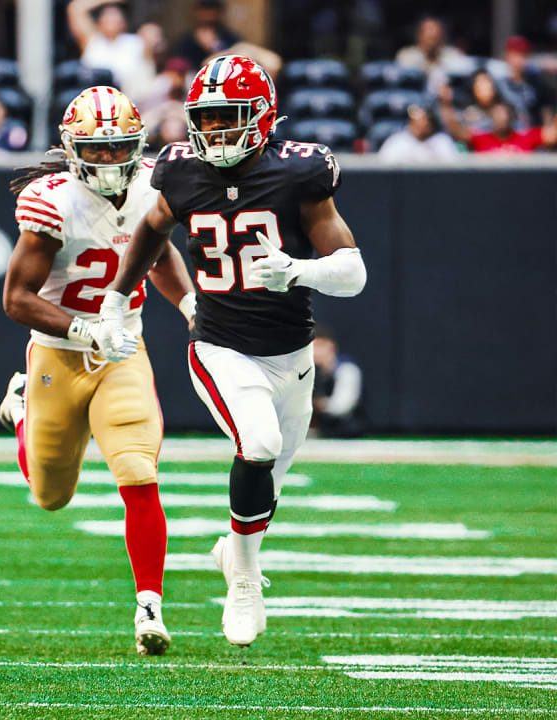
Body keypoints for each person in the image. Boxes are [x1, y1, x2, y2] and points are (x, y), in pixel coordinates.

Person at [94, 56, 367, 648]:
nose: (215, 130)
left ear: (262, 115)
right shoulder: (181, 171)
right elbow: (152, 228)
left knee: (270, 480)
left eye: (227, 116)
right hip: (220, 345)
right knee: (258, 444)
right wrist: (116, 299)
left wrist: (297, 269)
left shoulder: (298, 172)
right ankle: (243, 580)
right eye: (206, 118)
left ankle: (236, 553)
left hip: (292, 353)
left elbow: (353, 273)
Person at [0, 86, 196, 656]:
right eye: (97, 149)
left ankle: (149, 605)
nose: (109, 159)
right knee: (50, 495)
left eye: (118, 147)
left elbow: (158, 254)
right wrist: (85, 330)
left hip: (123, 350)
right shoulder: (52, 202)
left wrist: (189, 306)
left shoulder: (155, 185)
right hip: (58, 354)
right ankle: (21, 409)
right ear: (72, 150)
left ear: (138, 145)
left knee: (138, 469)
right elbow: (16, 298)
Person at [66, 0, 155, 97]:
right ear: (99, 21)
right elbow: (76, 8)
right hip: (94, 99)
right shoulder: (92, 40)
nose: (111, 19)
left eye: (115, 16)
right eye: (107, 16)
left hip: (128, 98)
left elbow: (149, 73)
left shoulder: (137, 42)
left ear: (123, 22)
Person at [311, 328, 363, 438]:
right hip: (316, 430)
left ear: (331, 346)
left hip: (346, 431)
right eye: (311, 346)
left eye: (319, 346)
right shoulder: (307, 371)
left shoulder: (346, 369)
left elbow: (342, 406)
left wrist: (319, 404)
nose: (315, 351)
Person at [394, 16, 471, 81]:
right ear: (419, 36)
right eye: (429, 38)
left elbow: (464, 69)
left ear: (442, 38)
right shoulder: (407, 56)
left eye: (435, 38)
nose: (432, 43)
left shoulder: (452, 54)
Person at [500, 36, 553, 129]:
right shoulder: (498, 82)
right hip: (507, 134)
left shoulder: (536, 82)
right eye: (515, 55)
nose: (519, 60)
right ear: (507, 56)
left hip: (532, 132)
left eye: (523, 55)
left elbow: (546, 109)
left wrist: (548, 128)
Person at [376, 104, 459, 162]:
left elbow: (452, 167)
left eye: (425, 120)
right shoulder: (397, 141)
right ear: (410, 123)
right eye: (418, 121)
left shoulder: (442, 141)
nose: (422, 124)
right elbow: (384, 166)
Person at [174, 0, 240, 71]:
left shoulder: (229, 37)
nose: (208, 15)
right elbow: (179, 62)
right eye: (205, 9)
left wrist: (214, 45)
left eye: (212, 10)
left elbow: (235, 61)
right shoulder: (187, 39)